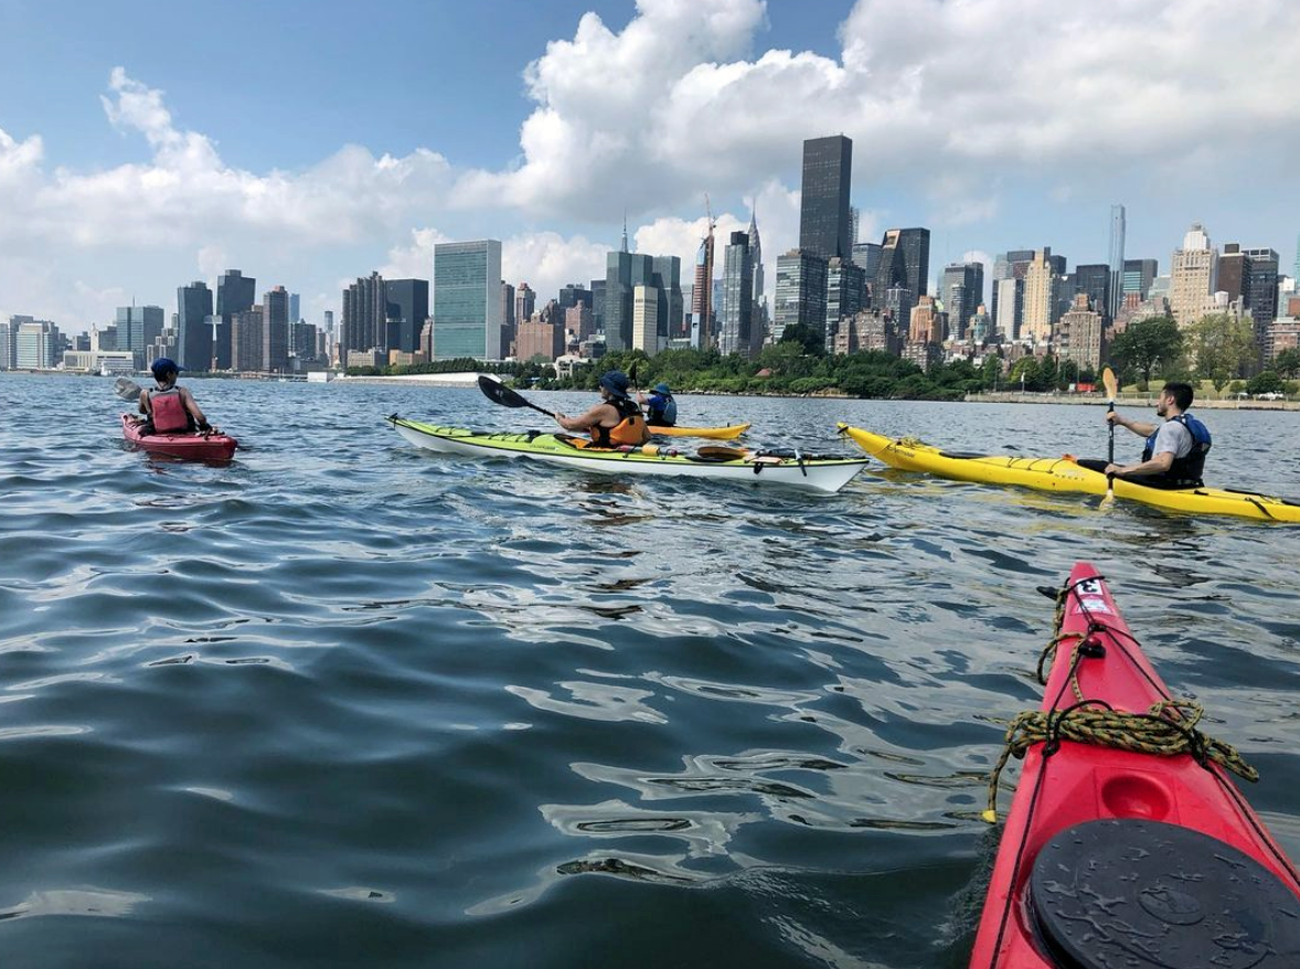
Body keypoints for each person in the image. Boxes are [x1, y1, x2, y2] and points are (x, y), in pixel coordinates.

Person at [1082, 381, 1211, 488]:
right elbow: (1152, 431)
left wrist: (1123, 470)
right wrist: (1122, 421)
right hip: (1191, 485)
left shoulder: (1170, 428)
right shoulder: (1187, 425)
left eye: (1160, 398)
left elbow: (1163, 464)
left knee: (1099, 466)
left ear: (1170, 400)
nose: (1157, 402)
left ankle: (1073, 462)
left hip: (1163, 486)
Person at [554, 370, 651, 447]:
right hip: (627, 452)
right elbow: (647, 437)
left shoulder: (603, 410)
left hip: (607, 453)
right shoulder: (633, 407)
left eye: (602, 384)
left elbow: (570, 426)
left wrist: (559, 417)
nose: (600, 387)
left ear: (609, 389)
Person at [137, 358, 214, 436]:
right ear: (169, 374)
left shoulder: (145, 394)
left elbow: (142, 411)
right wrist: (204, 426)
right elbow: (200, 418)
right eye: (176, 373)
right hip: (186, 432)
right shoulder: (182, 392)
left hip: (158, 433)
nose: (177, 375)